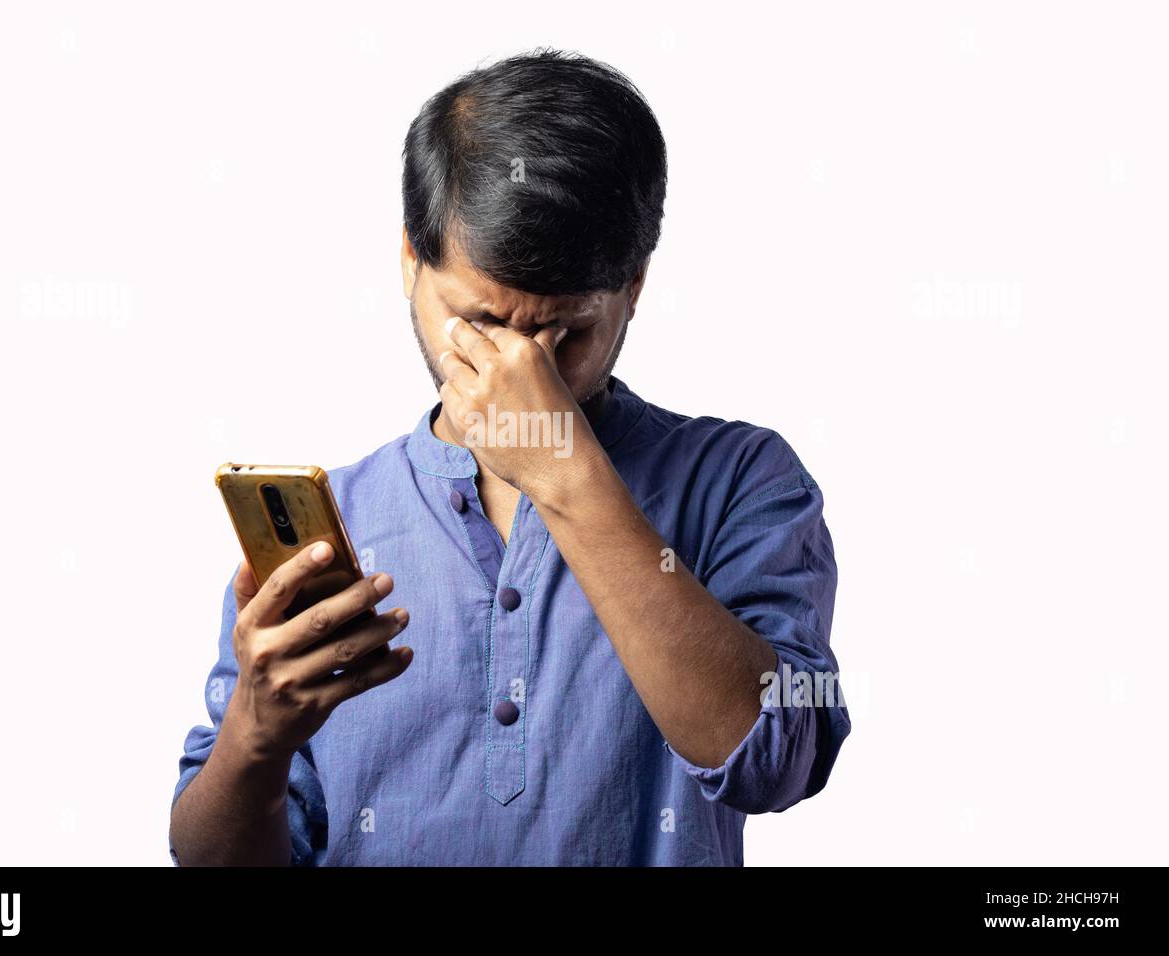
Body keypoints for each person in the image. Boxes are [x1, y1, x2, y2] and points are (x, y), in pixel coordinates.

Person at [169, 49, 849, 866]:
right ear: (410, 263)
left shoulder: (742, 479)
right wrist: (254, 734)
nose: (519, 368)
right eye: (483, 321)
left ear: (633, 287)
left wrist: (565, 470)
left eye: (565, 332)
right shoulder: (338, 521)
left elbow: (774, 761)